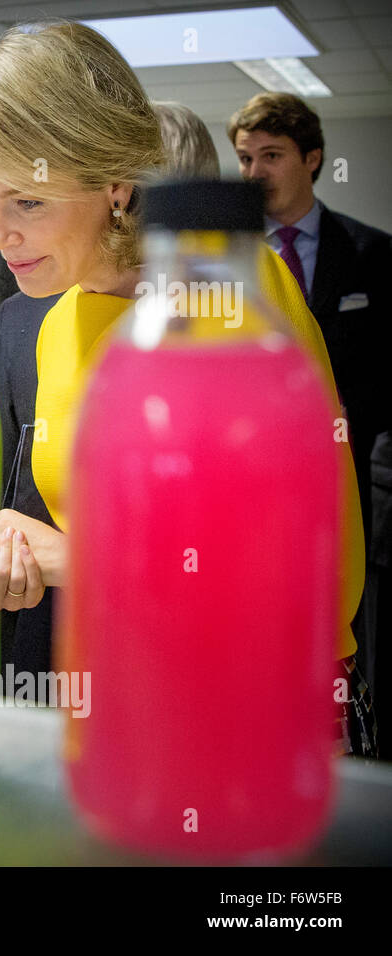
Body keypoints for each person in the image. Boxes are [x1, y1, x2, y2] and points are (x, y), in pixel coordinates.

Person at [0, 21, 375, 754]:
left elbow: (301, 568)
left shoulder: (228, 292)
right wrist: (9, 543)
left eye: (26, 202)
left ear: (116, 184)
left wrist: (68, 558)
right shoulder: (56, 321)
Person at [229, 91, 392, 712]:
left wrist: (347, 411)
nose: (254, 173)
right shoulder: (225, 267)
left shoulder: (373, 254)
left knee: (356, 622)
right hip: (263, 477)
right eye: (245, 158)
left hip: (357, 471)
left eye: (271, 155)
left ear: (313, 159)